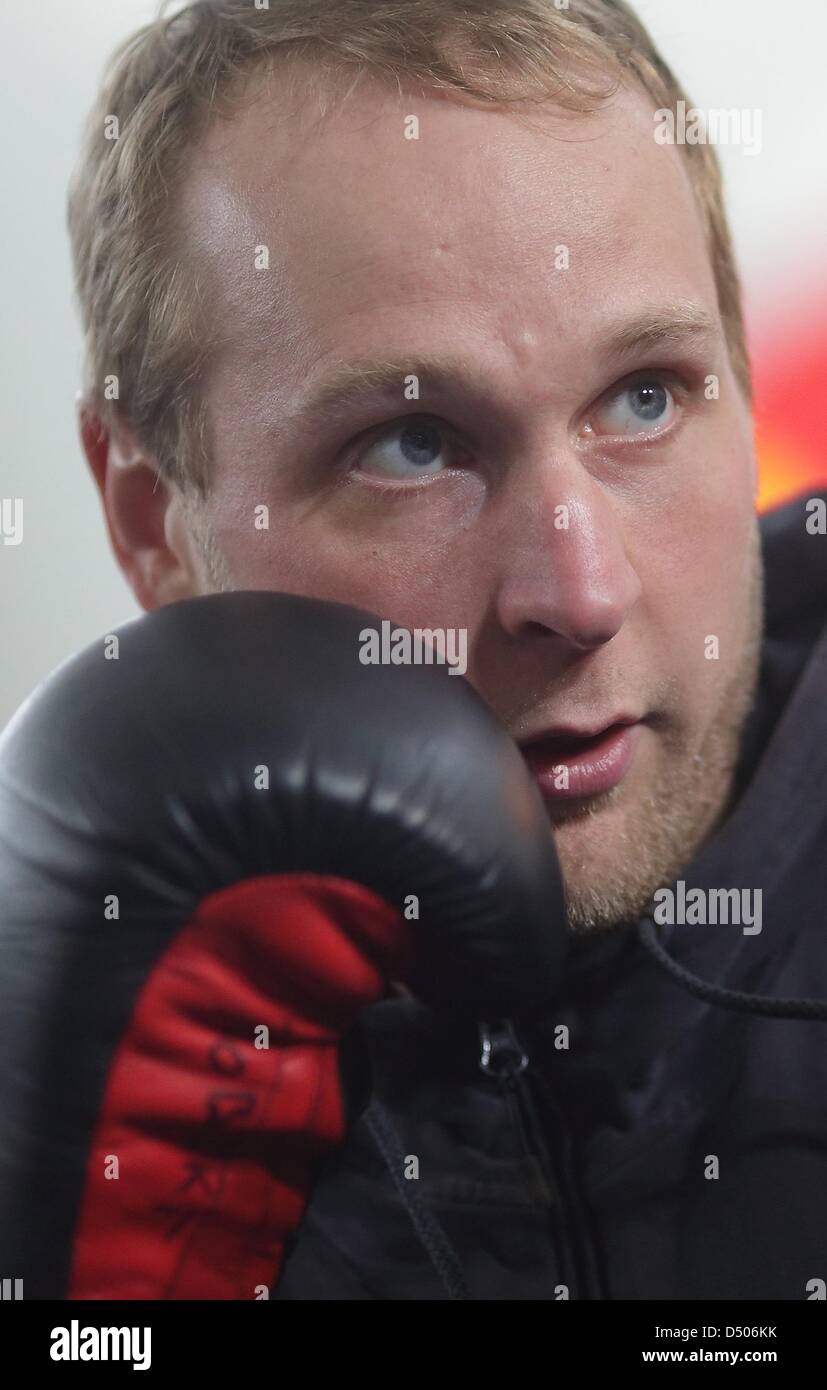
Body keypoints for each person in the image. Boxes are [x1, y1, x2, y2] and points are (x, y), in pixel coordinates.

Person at [17, 0, 827, 1298]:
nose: (581, 590)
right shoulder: (86, 1066)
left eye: (645, 397)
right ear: (152, 523)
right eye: (415, 446)